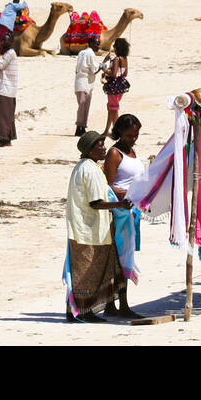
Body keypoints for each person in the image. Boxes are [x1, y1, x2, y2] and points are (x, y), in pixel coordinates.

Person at [63, 131, 132, 323]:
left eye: (103, 144)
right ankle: (82, 311)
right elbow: (96, 202)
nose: (103, 148)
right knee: (87, 270)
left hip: (83, 228)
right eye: (98, 145)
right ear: (89, 150)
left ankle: (75, 310)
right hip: (88, 229)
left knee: (81, 269)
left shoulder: (84, 166)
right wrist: (119, 205)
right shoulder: (91, 170)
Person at [102, 114, 144, 319]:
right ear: (119, 133)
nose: (133, 139)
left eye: (135, 135)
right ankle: (119, 304)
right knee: (119, 257)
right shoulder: (114, 153)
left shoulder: (132, 152)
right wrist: (127, 195)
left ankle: (116, 304)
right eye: (129, 135)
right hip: (119, 212)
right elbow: (107, 185)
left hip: (131, 211)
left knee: (124, 255)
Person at [0, 32, 18, 147]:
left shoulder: (9, 53)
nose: (3, 42)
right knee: (8, 116)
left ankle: (3, 139)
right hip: (10, 90)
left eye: (5, 40)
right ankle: (7, 138)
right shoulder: (11, 53)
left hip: (5, 89)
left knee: (1, 115)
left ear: (11, 42)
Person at [74, 35, 102, 136]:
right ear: (91, 44)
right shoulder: (90, 54)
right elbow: (94, 70)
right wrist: (104, 64)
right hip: (84, 82)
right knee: (83, 106)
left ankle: (82, 128)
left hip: (81, 82)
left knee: (83, 105)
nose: (98, 46)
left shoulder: (82, 52)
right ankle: (79, 128)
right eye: (96, 44)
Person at [102, 38, 130, 135]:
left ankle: (115, 131)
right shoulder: (125, 59)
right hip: (121, 86)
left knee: (112, 109)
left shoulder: (117, 59)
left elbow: (113, 74)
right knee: (112, 108)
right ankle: (110, 130)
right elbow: (125, 74)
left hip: (113, 87)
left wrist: (104, 69)